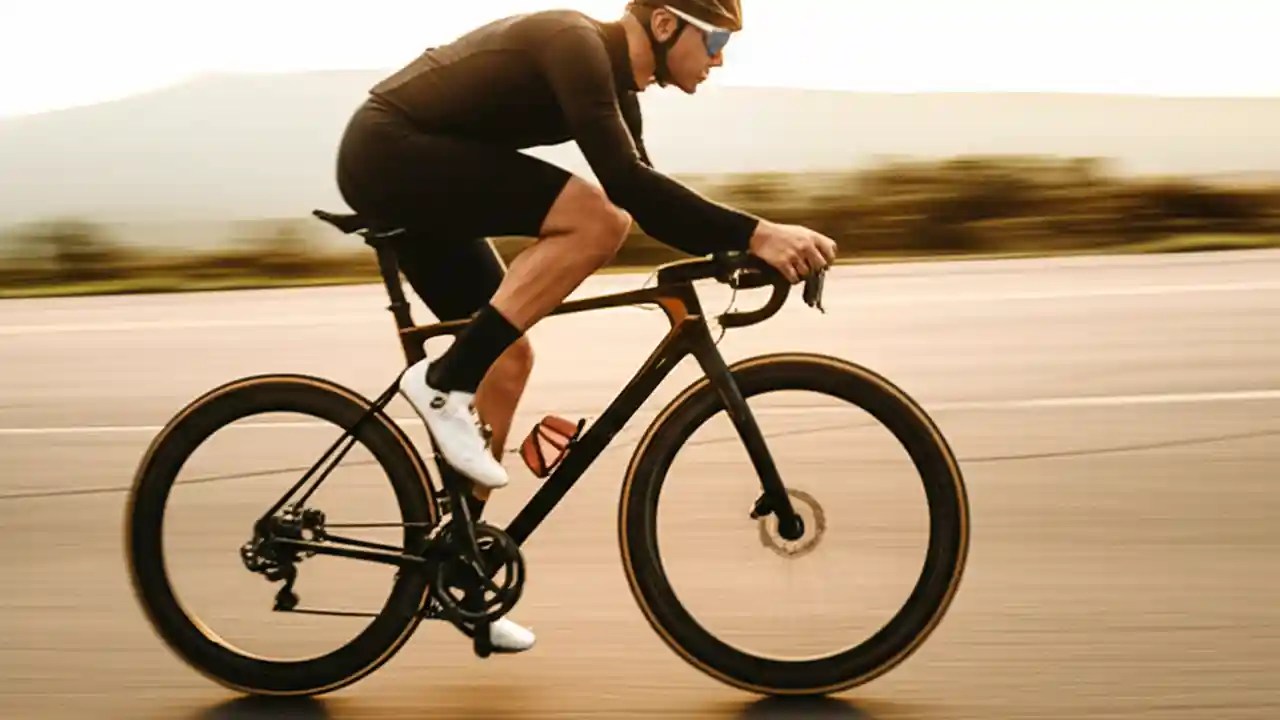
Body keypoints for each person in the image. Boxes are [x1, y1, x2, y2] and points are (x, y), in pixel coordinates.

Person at [334, 0, 838, 652]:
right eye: (714, 38)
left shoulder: (617, 93)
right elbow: (624, 190)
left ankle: (457, 569)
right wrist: (760, 232)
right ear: (664, 24)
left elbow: (652, 200)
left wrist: (738, 248)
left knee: (508, 360)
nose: (719, 57)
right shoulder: (575, 43)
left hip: (418, 170)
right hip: (386, 150)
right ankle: (442, 381)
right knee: (596, 220)